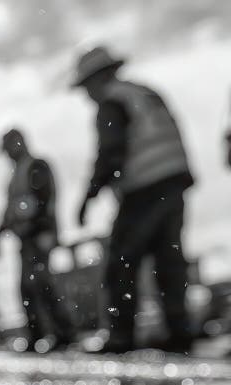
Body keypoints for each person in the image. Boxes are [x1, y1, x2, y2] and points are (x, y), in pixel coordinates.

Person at [73, 46, 195, 353]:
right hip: (173, 180)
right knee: (168, 260)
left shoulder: (112, 102)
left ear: (97, 79)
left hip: (144, 188)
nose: (87, 95)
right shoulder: (143, 92)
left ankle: (120, 336)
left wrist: (88, 195)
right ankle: (179, 331)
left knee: (121, 262)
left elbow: (111, 152)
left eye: (86, 87)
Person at [0, 128, 74, 351]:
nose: (7, 155)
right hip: (25, 238)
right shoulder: (16, 174)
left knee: (42, 283)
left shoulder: (36, 166)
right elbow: (10, 209)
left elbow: (44, 201)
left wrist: (44, 231)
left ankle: (63, 333)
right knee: (27, 286)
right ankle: (37, 335)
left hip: (38, 235)